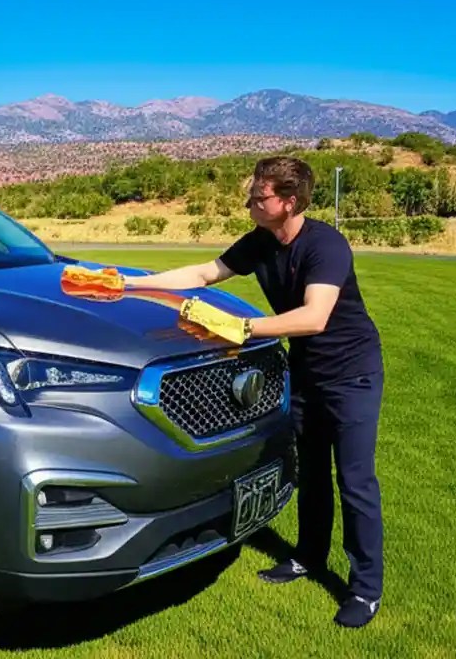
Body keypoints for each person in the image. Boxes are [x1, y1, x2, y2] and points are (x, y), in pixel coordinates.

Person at [123, 156, 386, 629]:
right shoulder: (261, 243)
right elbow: (204, 274)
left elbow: (314, 317)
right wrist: (131, 284)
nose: (250, 202)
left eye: (259, 196)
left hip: (352, 375)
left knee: (355, 481)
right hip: (307, 373)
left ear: (289, 202)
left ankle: (365, 590)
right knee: (311, 472)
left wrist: (240, 327)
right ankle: (308, 557)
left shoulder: (326, 245)